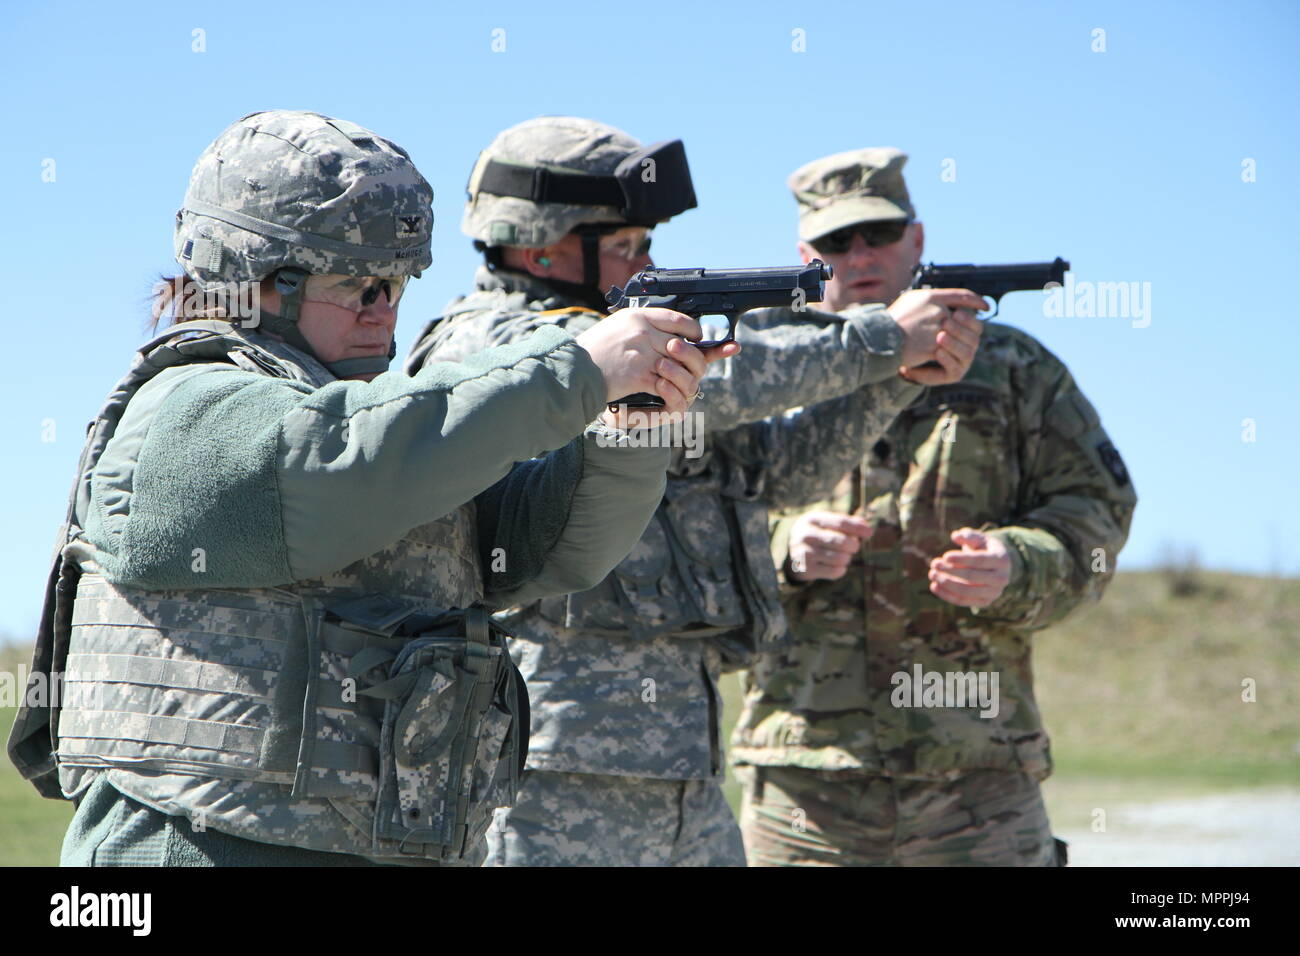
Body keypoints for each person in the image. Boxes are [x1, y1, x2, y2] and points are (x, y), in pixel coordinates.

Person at [6, 109, 724, 867]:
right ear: (259, 281)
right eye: (355, 285)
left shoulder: (388, 427)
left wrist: (625, 431)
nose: (384, 312)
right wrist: (573, 368)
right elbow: (336, 466)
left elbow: (544, 554)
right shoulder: (186, 406)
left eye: (397, 284)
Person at [407, 118, 984, 866]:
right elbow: (719, 380)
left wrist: (899, 380)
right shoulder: (491, 341)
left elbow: (785, 471)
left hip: (684, 761)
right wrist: (879, 340)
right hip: (545, 763)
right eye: (627, 244)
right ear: (540, 244)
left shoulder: (626, 342)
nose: (649, 262)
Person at [731, 147, 1138, 866]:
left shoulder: (1016, 370)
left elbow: (1097, 515)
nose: (858, 255)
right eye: (835, 241)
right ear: (805, 255)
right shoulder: (757, 372)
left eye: (878, 234)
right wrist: (783, 547)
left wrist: (1019, 564)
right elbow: (688, 511)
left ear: (916, 240)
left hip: (977, 777)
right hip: (805, 780)